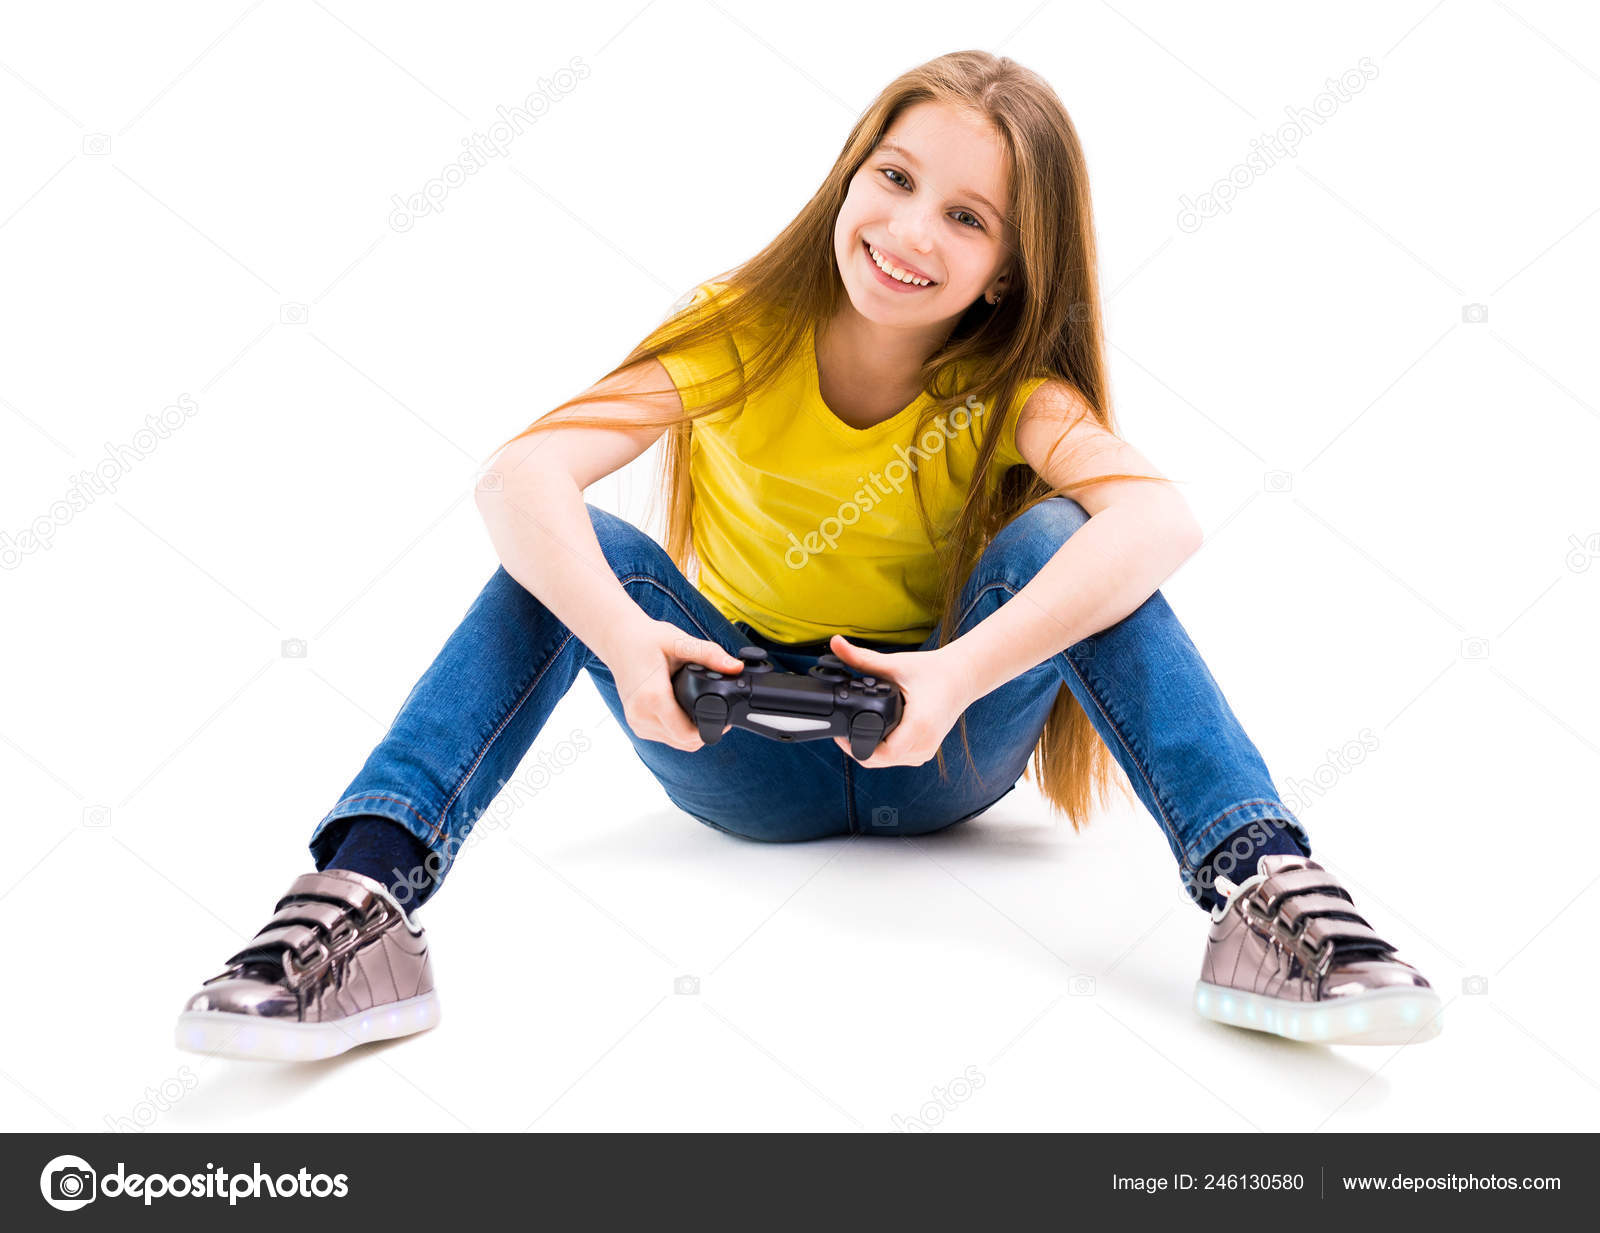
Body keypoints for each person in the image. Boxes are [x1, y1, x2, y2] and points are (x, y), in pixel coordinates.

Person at [175, 51, 1440, 1063]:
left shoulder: (1011, 391)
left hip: (939, 741)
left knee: (1079, 537)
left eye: (965, 218)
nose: (908, 230)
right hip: (737, 755)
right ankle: (365, 898)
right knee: (570, 550)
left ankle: (1264, 885)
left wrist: (950, 677)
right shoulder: (745, 329)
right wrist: (627, 642)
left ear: (1007, 273)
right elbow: (521, 474)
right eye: (891, 179)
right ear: (847, 176)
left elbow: (1161, 522)